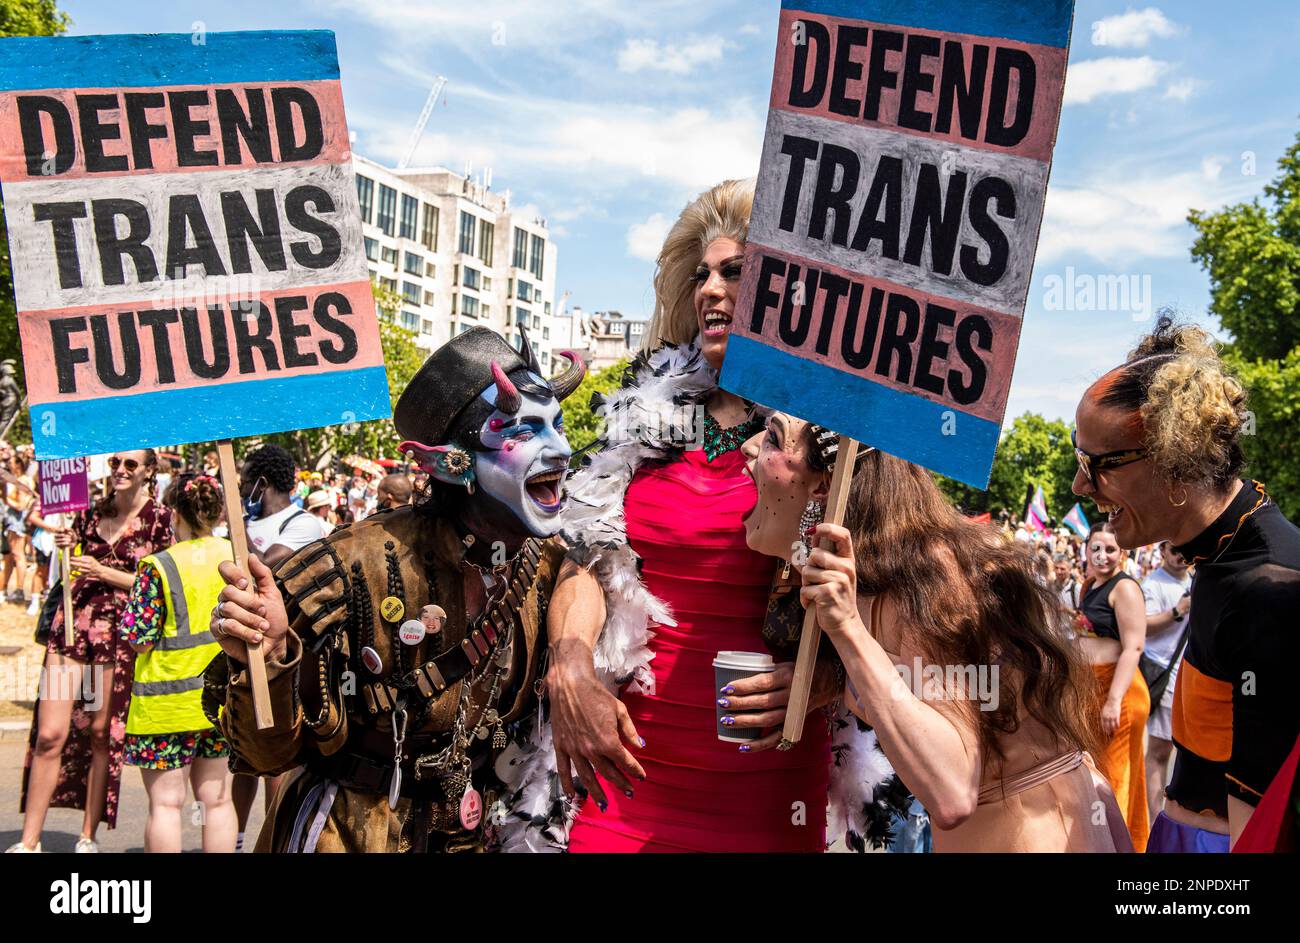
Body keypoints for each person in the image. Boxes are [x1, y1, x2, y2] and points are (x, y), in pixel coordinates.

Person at [543, 180, 900, 854]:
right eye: (703, 273)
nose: (711, 288)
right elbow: (588, 557)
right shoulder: (642, 415)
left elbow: (887, 603)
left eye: (736, 272)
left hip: (764, 794)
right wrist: (570, 665)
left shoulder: (832, 440)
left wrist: (824, 678)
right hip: (623, 775)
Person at [202, 327, 586, 852]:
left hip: (480, 834)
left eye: (556, 426)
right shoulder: (350, 563)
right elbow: (266, 756)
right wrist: (270, 656)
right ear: (450, 460)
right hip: (350, 835)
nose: (559, 448)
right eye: (522, 431)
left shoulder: (549, 569)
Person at [744, 416, 1127, 852]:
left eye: (773, 438)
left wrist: (848, 630)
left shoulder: (924, 576)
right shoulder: (867, 574)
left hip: (1033, 834)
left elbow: (951, 792)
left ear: (824, 486)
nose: (748, 447)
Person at [1071, 316, 1300, 852]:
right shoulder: (1228, 553)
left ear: (1174, 457)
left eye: (1095, 463)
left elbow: (1261, 838)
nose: (1080, 484)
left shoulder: (1269, 585)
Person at [10, 450, 172, 853]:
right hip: (72, 634)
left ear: (148, 472)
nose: (120, 470)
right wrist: (64, 546)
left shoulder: (160, 521)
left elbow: (161, 583)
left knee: (101, 734)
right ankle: (29, 841)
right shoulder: (86, 512)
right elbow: (67, 568)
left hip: (116, 640)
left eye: (130, 465)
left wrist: (104, 572)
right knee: (50, 735)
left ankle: (88, 835)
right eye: (116, 462)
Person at [120, 473, 235, 853]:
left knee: (167, 805)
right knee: (216, 802)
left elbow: (138, 640)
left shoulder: (157, 565)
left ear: (176, 514)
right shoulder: (234, 556)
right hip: (221, 701)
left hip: (165, 706)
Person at [1073, 522, 1150, 851]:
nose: (1102, 555)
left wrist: (1113, 700)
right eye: (1096, 548)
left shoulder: (1125, 588)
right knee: (1095, 774)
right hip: (1092, 688)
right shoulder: (1089, 585)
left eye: (1110, 549)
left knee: (1115, 779)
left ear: (1123, 553)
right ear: (1087, 549)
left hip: (1119, 692)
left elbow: (1133, 647)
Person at [1141, 540, 1193, 824]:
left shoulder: (1196, 580)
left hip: (1191, 675)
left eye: (1184, 551)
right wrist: (1178, 610)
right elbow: (1143, 626)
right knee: (1160, 752)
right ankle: (1154, 819)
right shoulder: (1153, 584)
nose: (1180, 557)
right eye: (1174, 551)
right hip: (1164, 675)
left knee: (1185, 749)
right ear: (1162, 552)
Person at [241, 445, 326, 569]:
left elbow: (265, 563)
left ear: (262, 484)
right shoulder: (247, 521)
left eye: (244, 484)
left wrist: (238, 527)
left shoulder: (304, 523)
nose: (241, 492)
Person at [3, 453, 35, 603]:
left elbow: (21, 505)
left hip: (16, 522)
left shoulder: (22, 481)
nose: (9, 465)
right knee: (10, 556)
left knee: (18, 555)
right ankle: (5, 589)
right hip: (15, 521)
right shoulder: (22, 480)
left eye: (11, 462)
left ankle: (20, 589)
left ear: (18, 465)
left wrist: (4, 499)